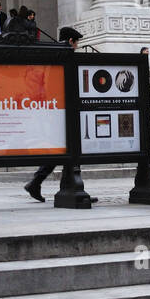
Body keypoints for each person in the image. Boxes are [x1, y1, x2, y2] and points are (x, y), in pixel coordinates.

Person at [25, 30, 96, 204]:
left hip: (57, 112)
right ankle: (66, 186)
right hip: (60, 112)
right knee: (67, 150)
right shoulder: (62, 58)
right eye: (76, 42)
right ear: (70, 41)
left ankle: (46, 183)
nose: (77, 46)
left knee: (63, 151)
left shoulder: (54, 57)